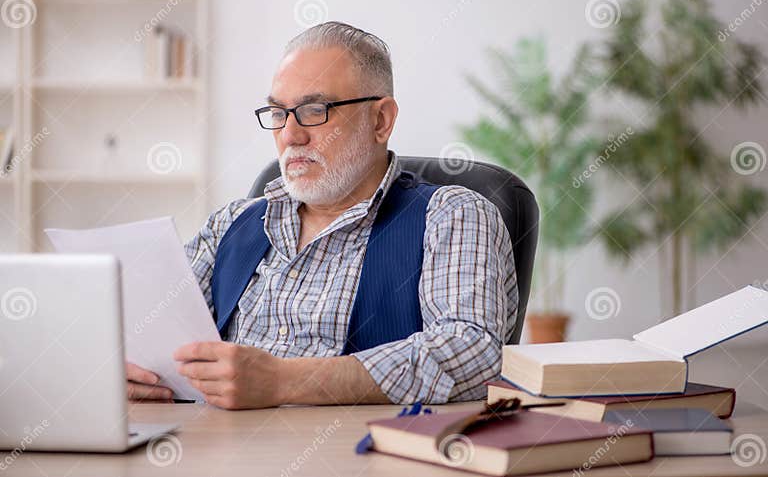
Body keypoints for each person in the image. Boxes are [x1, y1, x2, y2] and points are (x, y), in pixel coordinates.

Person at [126, 21, 517, 409]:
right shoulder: (230, 224)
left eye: (315, 110)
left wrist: (285, 382)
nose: (291, 135)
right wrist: (130, 370)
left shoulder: (452, 216)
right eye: (279, 113)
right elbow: (150, 330)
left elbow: (474, 351)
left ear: (380, 120)